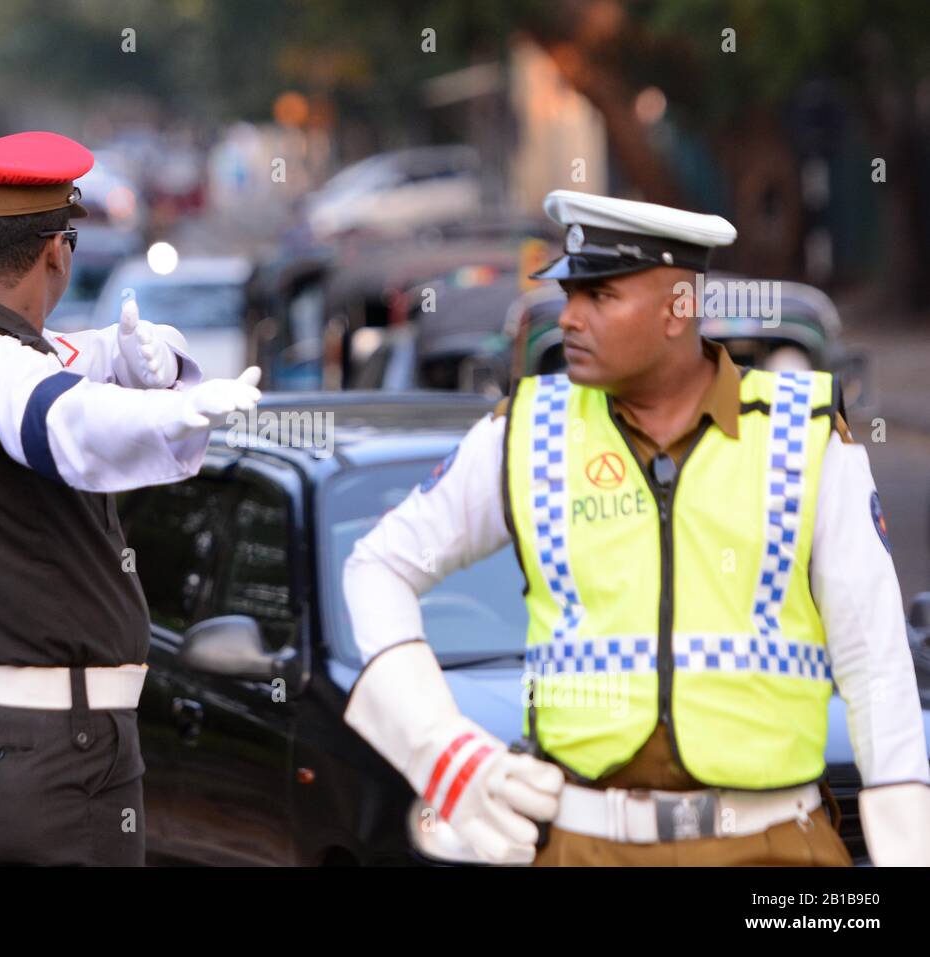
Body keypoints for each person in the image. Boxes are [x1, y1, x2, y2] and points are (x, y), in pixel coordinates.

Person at [341, 189, 930, 866]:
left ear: (680, 309)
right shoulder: (524, 432)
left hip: (774, 850)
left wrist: (905, 853)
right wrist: (442, 751)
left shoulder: (804, 436)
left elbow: (876, 664)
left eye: (600, 297)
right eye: (569, 296)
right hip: (585, 847)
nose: (570, 319)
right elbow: (376, 565)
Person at [0, 131, 261, 865]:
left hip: (10, 739)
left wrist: (150, 354)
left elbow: (79, 357)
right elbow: (69, 422)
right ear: (58, 251)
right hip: (56, 752)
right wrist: (171, 412)